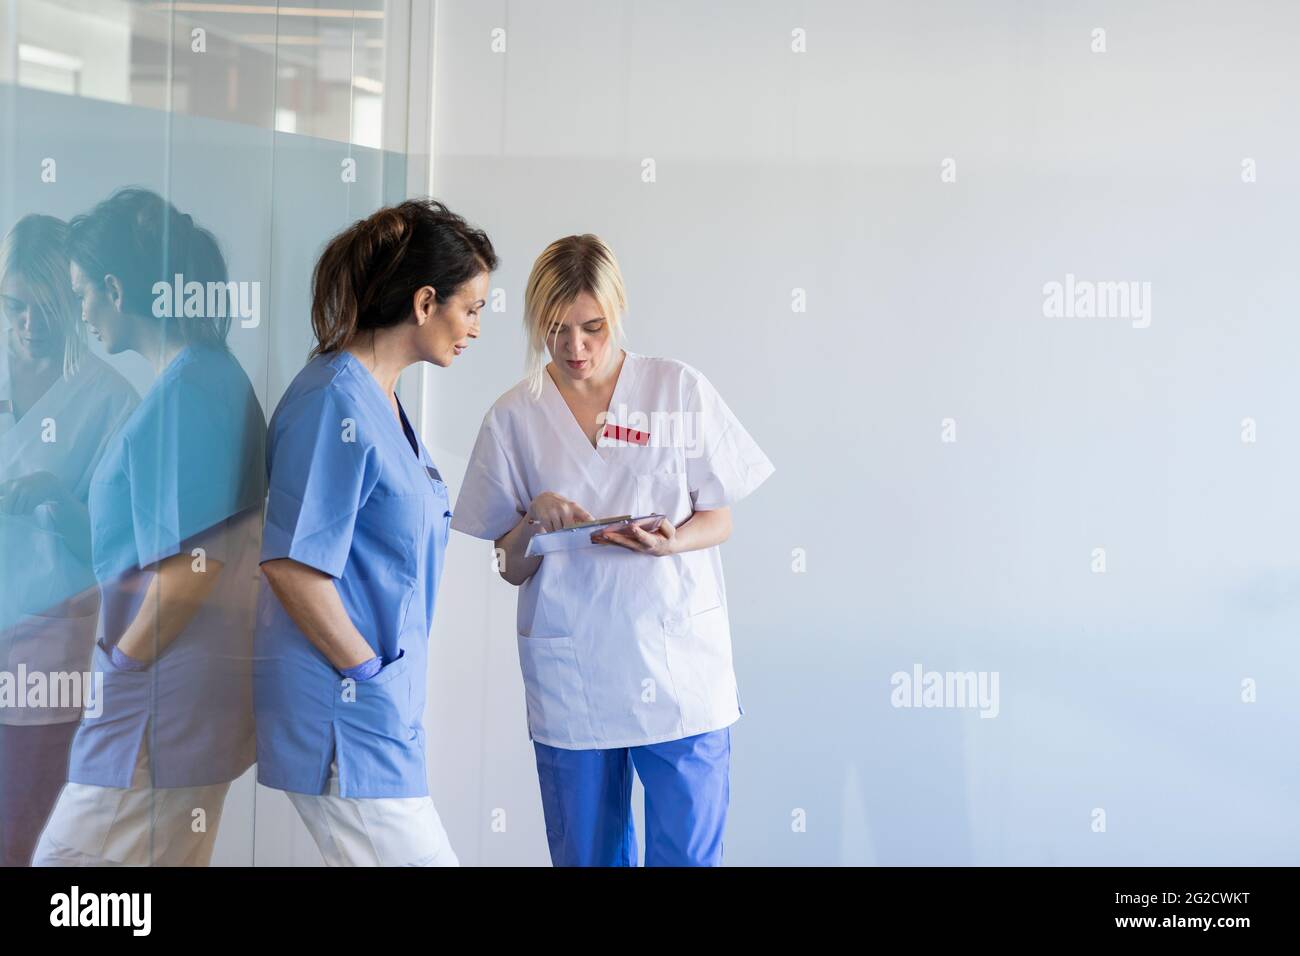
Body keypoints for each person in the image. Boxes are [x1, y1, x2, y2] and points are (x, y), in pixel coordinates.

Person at [452, 234, 774, 866]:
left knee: (686, 856)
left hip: (678, 667)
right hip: (577, 678)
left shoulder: (676, 391)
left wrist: (675, 539)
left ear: (617, 311)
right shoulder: (515, 417)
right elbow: (510, 565)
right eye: (556, 329)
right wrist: (533, 526)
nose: (575, 347)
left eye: (592, 327)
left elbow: (721, 517)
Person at [254, 199, 496, 866]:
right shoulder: (334, 401)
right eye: (470, 309)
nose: (476, 328)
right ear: (425, 302)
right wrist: (370, 676)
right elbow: (293, 567)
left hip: (378, 711)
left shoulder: (379, 399)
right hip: (348, 712)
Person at [32, 189, 266, 866]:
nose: (79, 312)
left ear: (114, 288)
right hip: (179, 698)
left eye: (82, 294)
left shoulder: (188, 392)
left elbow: (192, 571)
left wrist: (121, 666)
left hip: (159, 703)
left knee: (72, 877)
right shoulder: (210, 378)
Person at [0, 214, 139, 866]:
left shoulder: (110, 402)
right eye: (14, 305)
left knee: (26, 831)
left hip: (47, 655)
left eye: (46, 307)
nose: (28, 323)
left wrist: (57, 499)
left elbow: (123, 556)